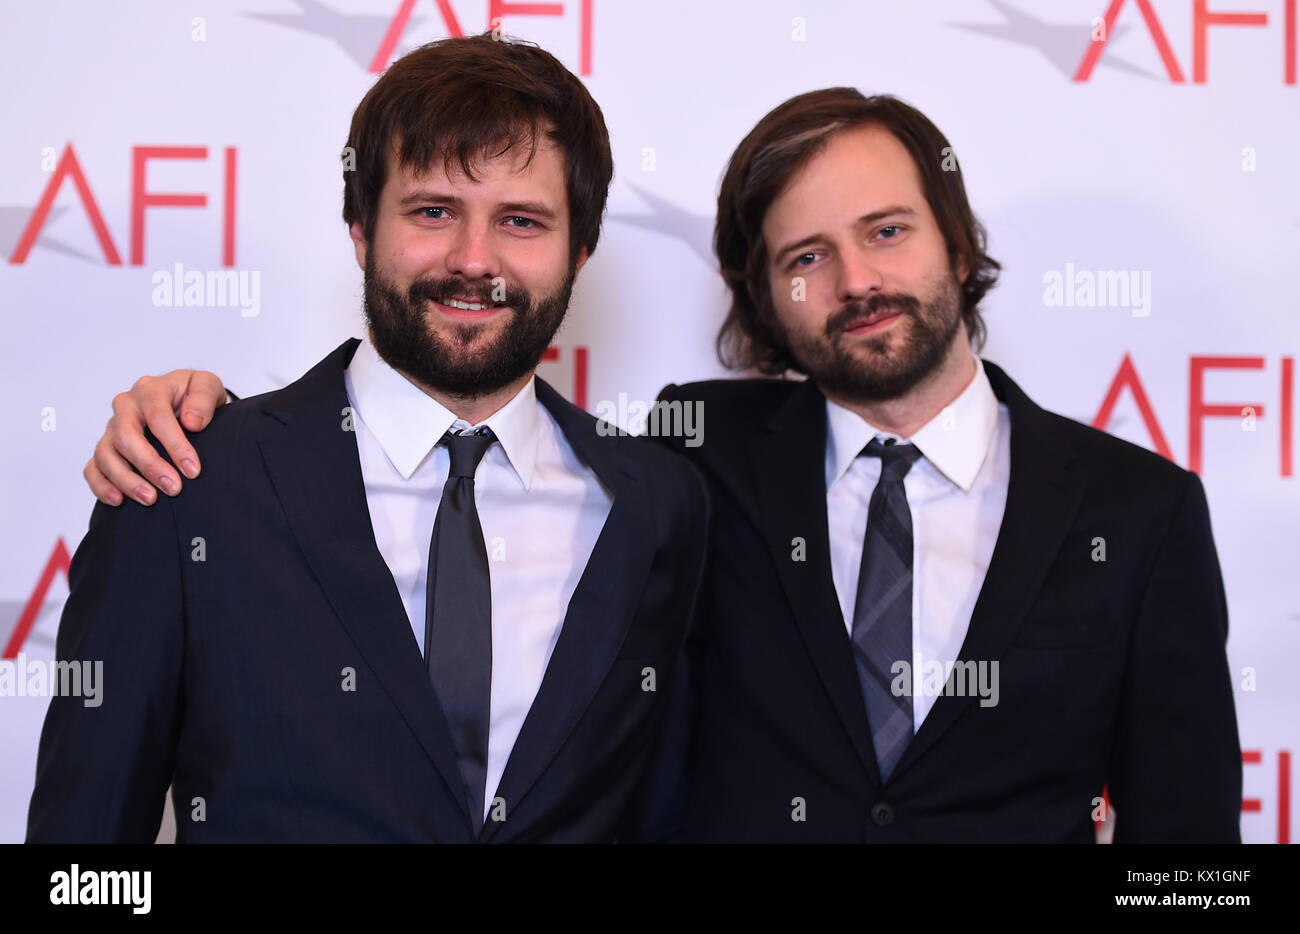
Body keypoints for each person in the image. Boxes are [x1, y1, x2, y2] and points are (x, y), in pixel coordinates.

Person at [81, 89, 1242, 843]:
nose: (855, 281)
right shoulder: (697, 464)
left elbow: (1185, 848)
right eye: (804, 257)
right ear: (761, 297)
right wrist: (191, 411)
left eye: (887, 231)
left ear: (954, 237)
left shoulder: (1136, 511)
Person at [28, 33, 708, 843]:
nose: (473, 261)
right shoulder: (184, 480)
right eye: (432, 211)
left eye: (522, 221)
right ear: (359, 227)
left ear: (580, 250)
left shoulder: (659, 506)